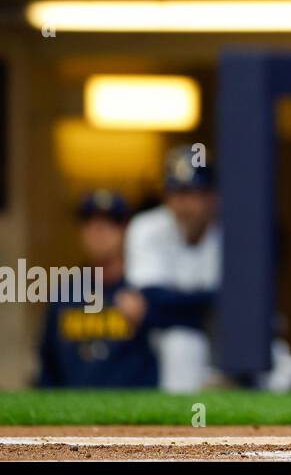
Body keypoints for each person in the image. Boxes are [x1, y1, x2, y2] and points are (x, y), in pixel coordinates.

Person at [122, 146, 222, 393]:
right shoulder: (146, 227)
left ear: (211, 197)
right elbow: (150, 296)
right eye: (176, 193)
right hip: (162, 341)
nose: (183, 204)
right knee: (182, 341)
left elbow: (233, 304)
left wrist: (153, 311)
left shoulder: (232, 230)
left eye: (191, 193)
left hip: (228, 337)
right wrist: (205, 306)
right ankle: (181, 428)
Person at [37, 191, 157, 388]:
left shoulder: (144, 289)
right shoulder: (65, 294)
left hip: (133, 415)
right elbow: (47, 369)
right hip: (70, 414)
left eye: (111, 222)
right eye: (90, 222)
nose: (99, 231)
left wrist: (148, 314)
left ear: (126, 230)